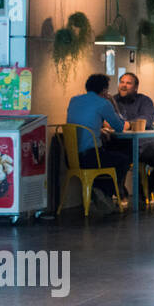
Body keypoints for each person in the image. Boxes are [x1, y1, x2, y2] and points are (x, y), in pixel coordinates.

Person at [65, 73, 131, 207]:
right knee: (124, 159)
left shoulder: (74, 100)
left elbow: (81, 122)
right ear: (104, 90)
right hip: (91, 157)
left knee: (108, 155)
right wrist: (111, 103)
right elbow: (119, 127)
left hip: (71, 158)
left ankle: (99, 188)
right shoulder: (103, 103)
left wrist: (98, 130)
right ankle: (103, 190)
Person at [113, 72, 154, 189]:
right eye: (122, 82)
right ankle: (121, 193)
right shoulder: (112, 101)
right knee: (116, 159)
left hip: (145, 147)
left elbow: (146, 119)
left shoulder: (145, 101)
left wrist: (128, 124)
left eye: (128, 83)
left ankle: (144, 189)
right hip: (122, 146)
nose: (124, 85)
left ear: (136, 87)